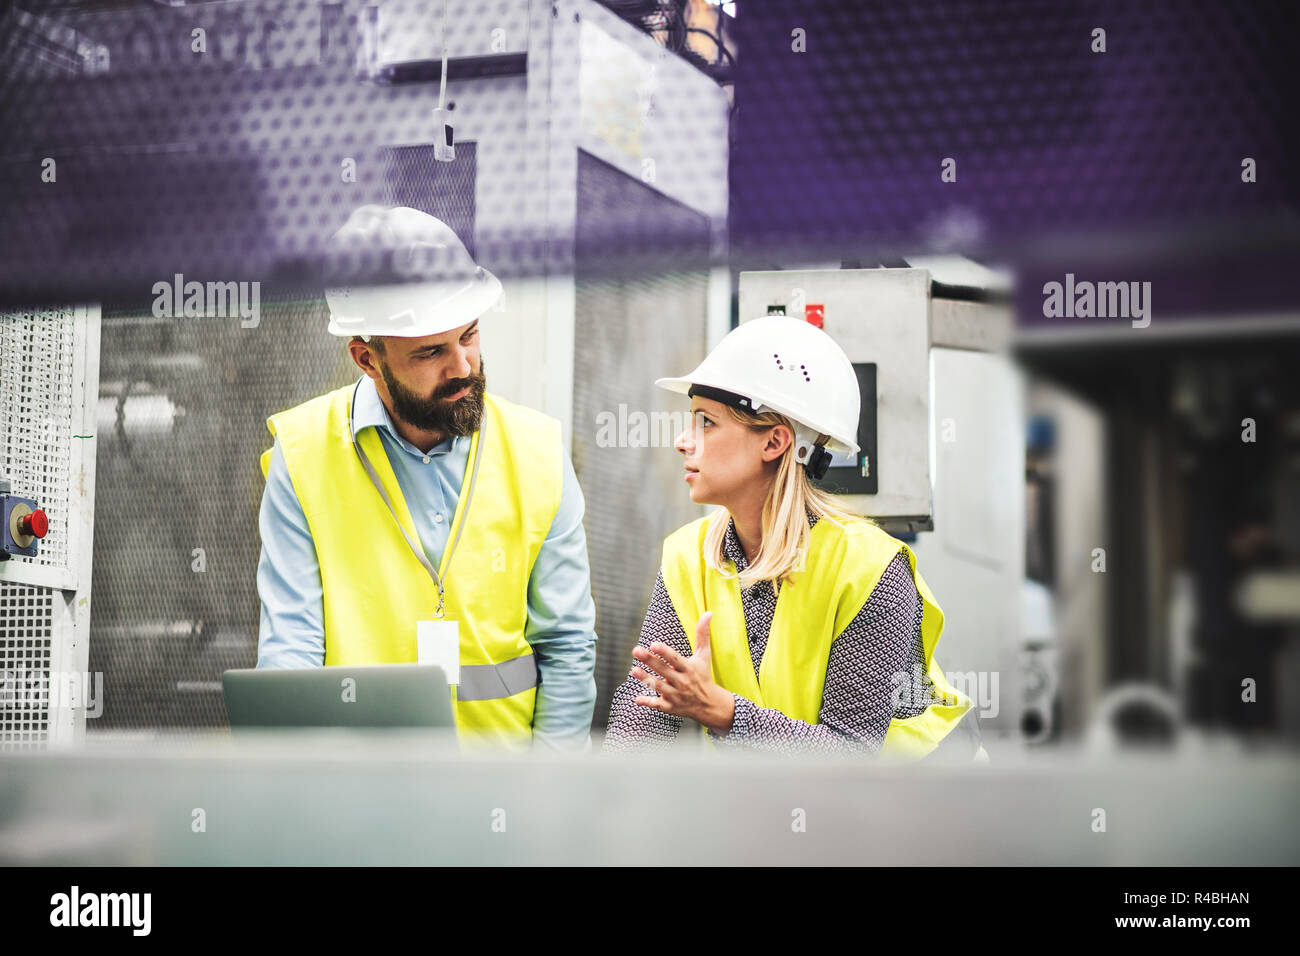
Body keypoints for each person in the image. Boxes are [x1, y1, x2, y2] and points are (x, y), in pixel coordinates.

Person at [255, 205, 598, 752]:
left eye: (469, 336)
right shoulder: (302, 454)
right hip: (359, 800)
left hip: (504, 800)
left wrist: (546, 800)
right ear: (367, 358)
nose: (462, 366)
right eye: (431, 352)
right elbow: (290, 650)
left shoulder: (538, 452)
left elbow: (566, 648)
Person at [603, 315, 987, 760]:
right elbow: (643, 720)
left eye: (705, 422)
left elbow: (850, 755)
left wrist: (725, 712)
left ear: (774, 443)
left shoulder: (870, 570)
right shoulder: (688, 558)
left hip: (928, 808)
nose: (683, 442)